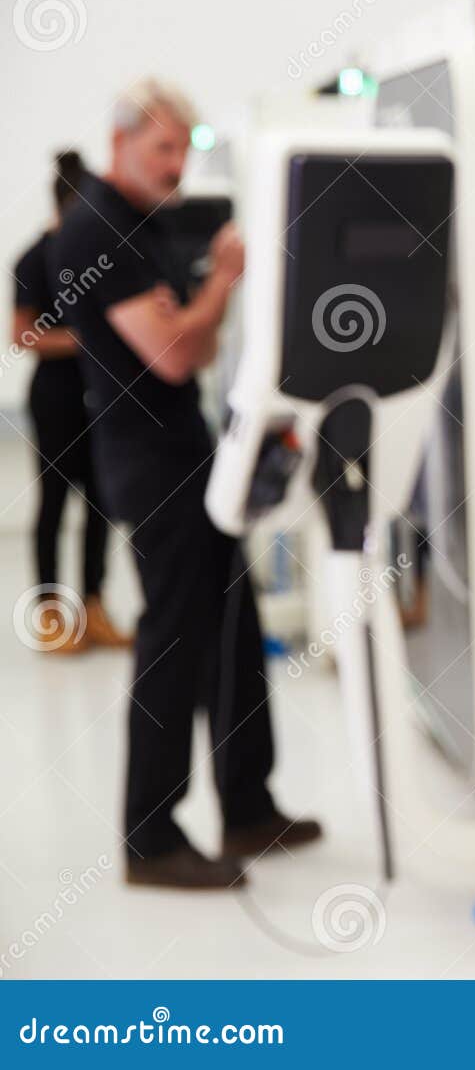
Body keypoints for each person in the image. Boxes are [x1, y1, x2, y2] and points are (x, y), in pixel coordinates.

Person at [51, 78, 320, 890]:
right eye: (162, 147)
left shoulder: (142, 223)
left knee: (233, 624)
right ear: (120, 141)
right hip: (150, 462)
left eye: (183, 149)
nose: (175, 165)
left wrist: (190, 316)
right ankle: (151, 837)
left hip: (187, 448)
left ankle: (246, 803)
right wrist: (218, 289)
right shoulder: (99, 228)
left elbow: (188, 349)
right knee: (174, 642)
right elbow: (172, 353)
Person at [11, 151, 131, 653]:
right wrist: (86, 338)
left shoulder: (97, 256)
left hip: (99, 394)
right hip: (54, 396)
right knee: (54, 504)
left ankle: (95, 605)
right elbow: (22, 335)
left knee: (101, 502)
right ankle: (52, 614)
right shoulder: (33, 258)